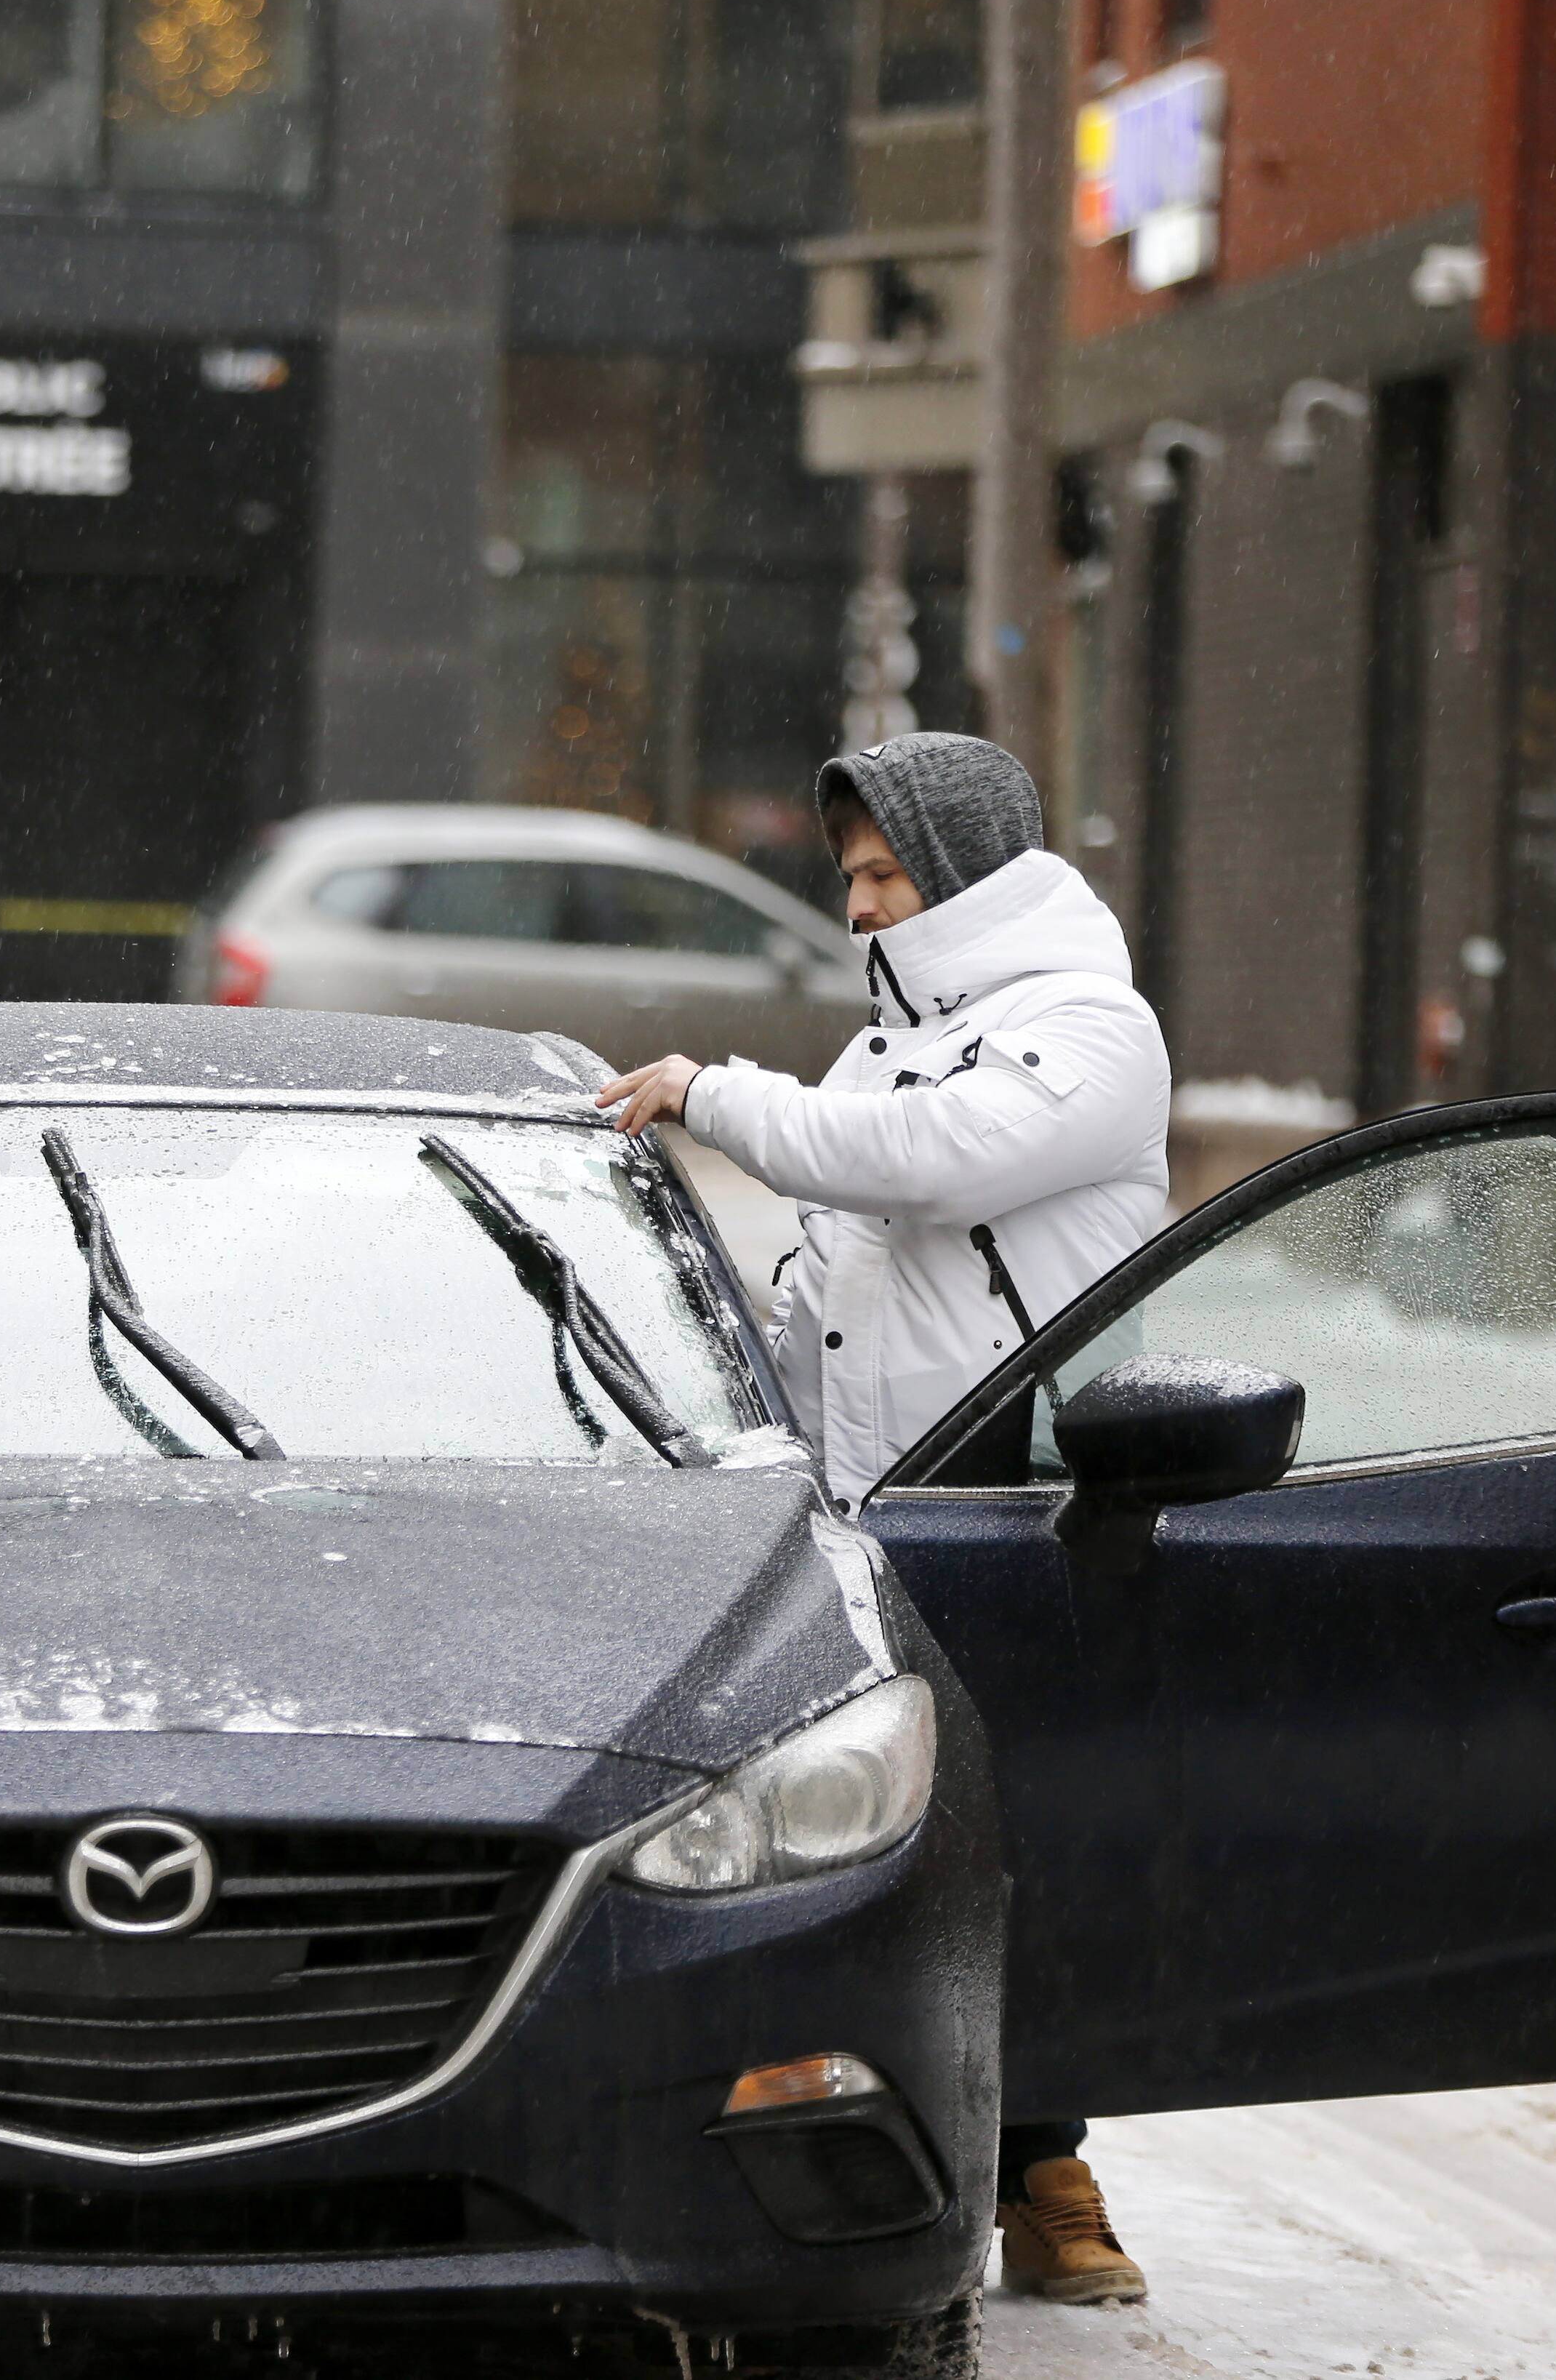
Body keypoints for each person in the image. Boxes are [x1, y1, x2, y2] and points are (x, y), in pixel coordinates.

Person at [596, 731, 1169, 2308]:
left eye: (879, 874)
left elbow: (934, 1162)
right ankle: (873, 2150)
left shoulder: (1091, 1033)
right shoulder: (870, 1059)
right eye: (846, 878)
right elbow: (822, 1296)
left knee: (1027, 1848)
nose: (856, 909)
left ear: (965, 870)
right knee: (890, 1856)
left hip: (1023, 1509)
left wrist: (716, 1094)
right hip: (871, 1522)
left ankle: (1046, 2169)